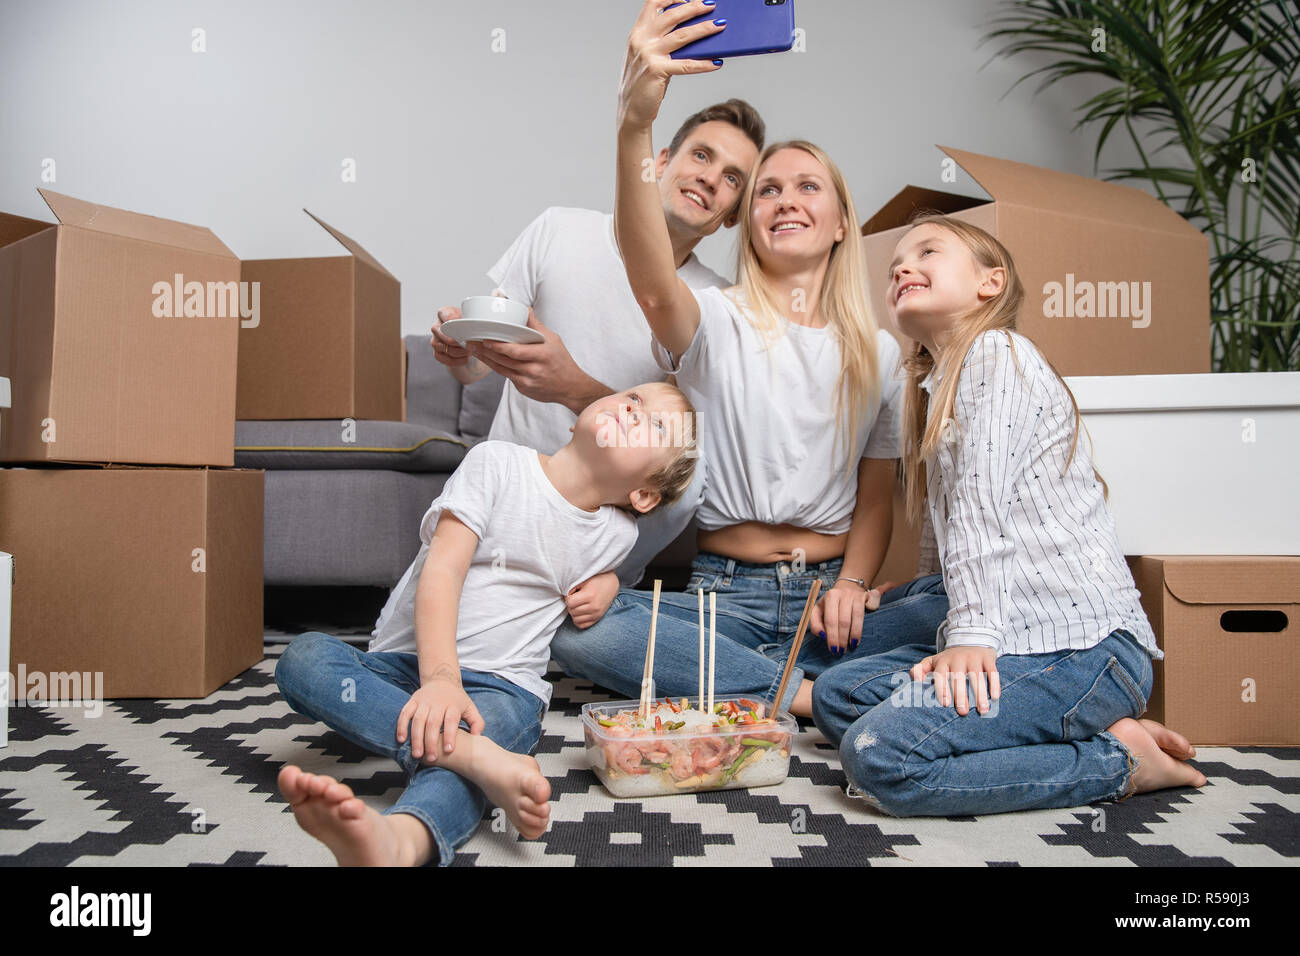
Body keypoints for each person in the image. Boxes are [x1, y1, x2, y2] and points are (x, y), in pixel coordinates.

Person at [548, 0, 950, 718]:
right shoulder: (715, 319)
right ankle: (805, 695)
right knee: (578, 631)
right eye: (767, 189)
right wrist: (635, 125)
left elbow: (875, 495)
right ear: (749, 223)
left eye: (807, 187)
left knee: (956, 605)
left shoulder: (884, 354)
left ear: (838, 224)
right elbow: (648, 277)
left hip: (828, 603)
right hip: (718, 596)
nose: (785, 200)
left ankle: (742, 681)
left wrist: (856, 585)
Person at [810, 213, 1207, 815]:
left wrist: (969, 637)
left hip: (1082, 652)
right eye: (894, 265)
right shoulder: (938, 384)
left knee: (878, 754)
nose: (900, 267)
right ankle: (1079, 730)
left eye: (927, 252)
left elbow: (980, 509)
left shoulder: (996, 355)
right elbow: (949, 520)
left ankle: (1117, 763)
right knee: (838, 693)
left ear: (989, 283)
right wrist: (929, 588)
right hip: (1022, 643)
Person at [274, 382, 698, 865]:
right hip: (406, 669)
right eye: (634, 398)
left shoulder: (619, 535)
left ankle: (403, 841)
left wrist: (609, 585)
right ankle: (473, 757)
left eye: (657, 424)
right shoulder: (496, 463)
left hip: (504, 688)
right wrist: (439, 681)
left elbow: (587, 552)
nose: (632, 407)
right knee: (305, 659)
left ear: (643, 495)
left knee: (489, 730)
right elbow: (443, 569)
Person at [431, 97, 765, 599]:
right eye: (701, 155)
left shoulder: (717, 305)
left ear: (730, 217)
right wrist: (462, 352)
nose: (710, 178)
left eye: (733, 178)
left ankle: (602, 584)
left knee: (694, 475)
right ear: (662, 160)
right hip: (512, 495)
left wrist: (575, 389)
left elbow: (682, 452)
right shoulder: (558, 229)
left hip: (603, 527)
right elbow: (478, 362)